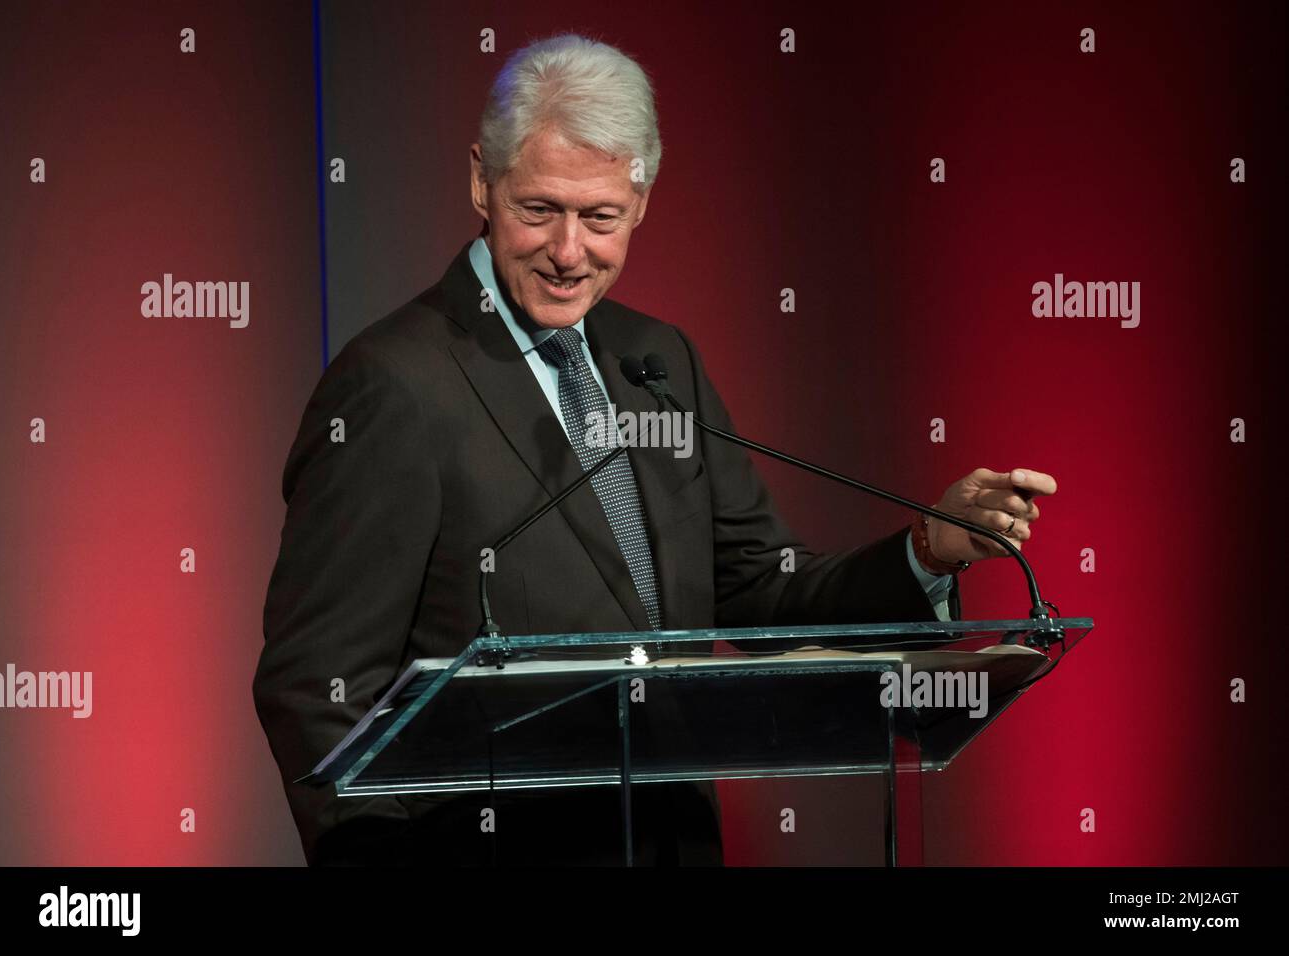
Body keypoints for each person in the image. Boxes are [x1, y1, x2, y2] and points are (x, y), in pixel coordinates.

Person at [253, 33, 1056, 866]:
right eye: (539, 210)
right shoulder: (394, 385)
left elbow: (761, 595)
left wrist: (929, 549)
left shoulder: (657, 362)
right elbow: (317, 687)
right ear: (481, 185)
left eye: (600, 217)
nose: (569, 253)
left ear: (641, 203)